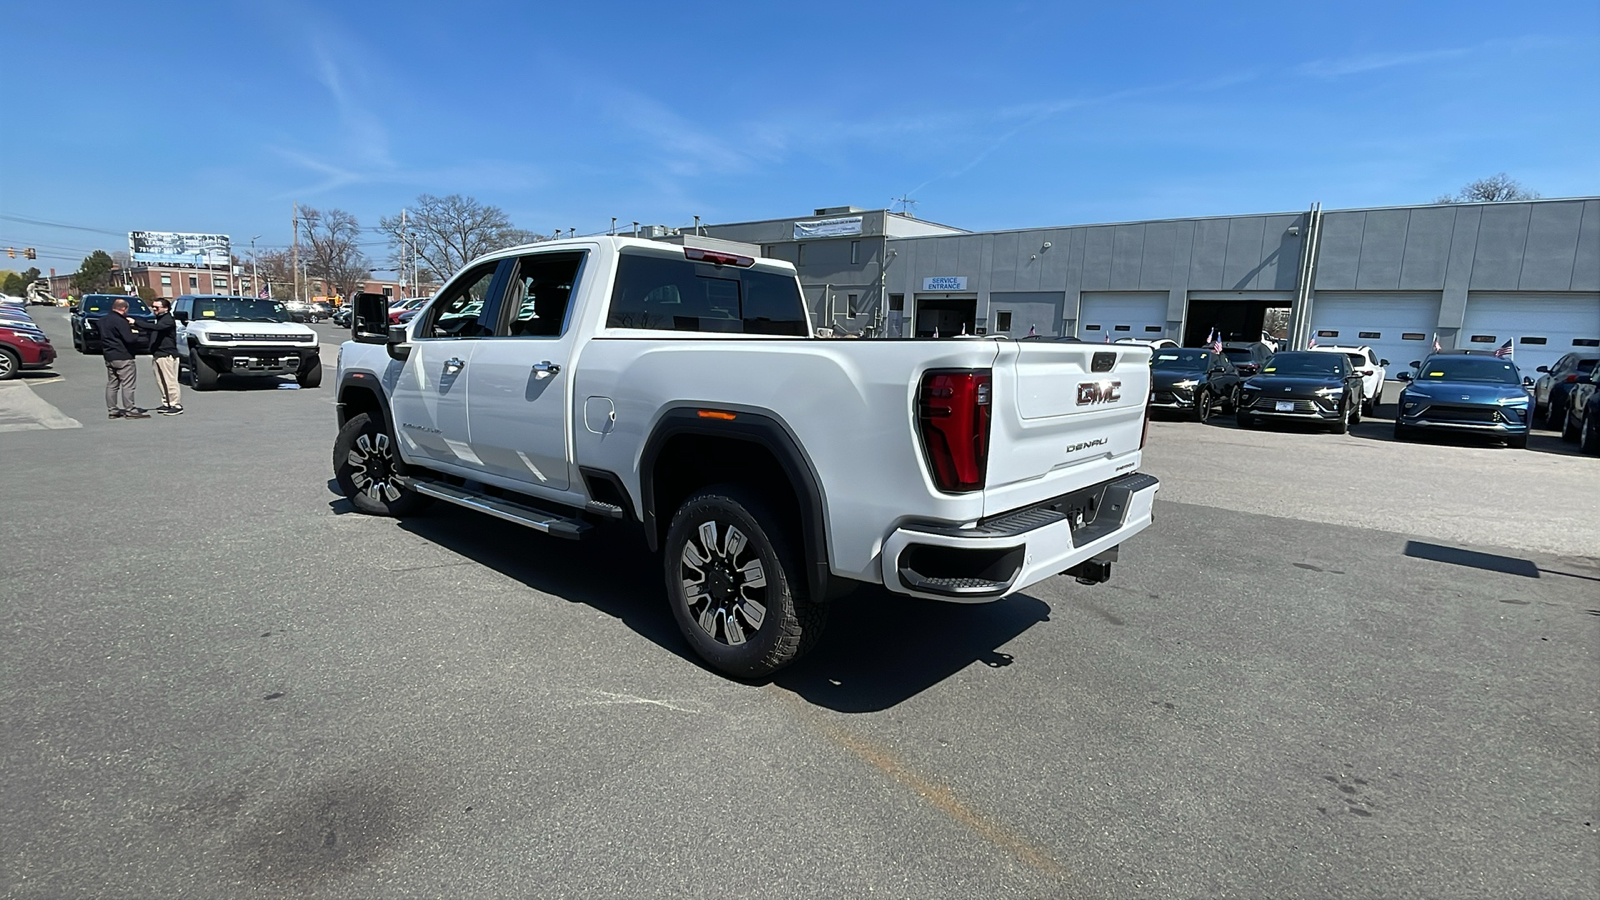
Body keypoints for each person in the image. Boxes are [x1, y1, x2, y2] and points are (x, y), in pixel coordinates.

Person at [101, 298, 148, 419]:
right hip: (123, 356)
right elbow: (130, 339)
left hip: (109, 355)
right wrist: (136, 333)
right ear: (123, 309)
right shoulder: (121, 321)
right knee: (128, 385)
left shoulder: (103, 320)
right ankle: (130, 410)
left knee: (112, 384)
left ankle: (112, 410)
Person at [145, 298, 182, 415]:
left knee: (170, 381)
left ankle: (176, 404)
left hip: (167, 355)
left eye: (157, 307)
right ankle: (167, 403)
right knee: (161, 381)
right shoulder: (159, 319)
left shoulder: (168, 320)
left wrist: (136, 322)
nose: (154, 309)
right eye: (153, 307)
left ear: (165, 308)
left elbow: (157, 328)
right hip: (158, 354)